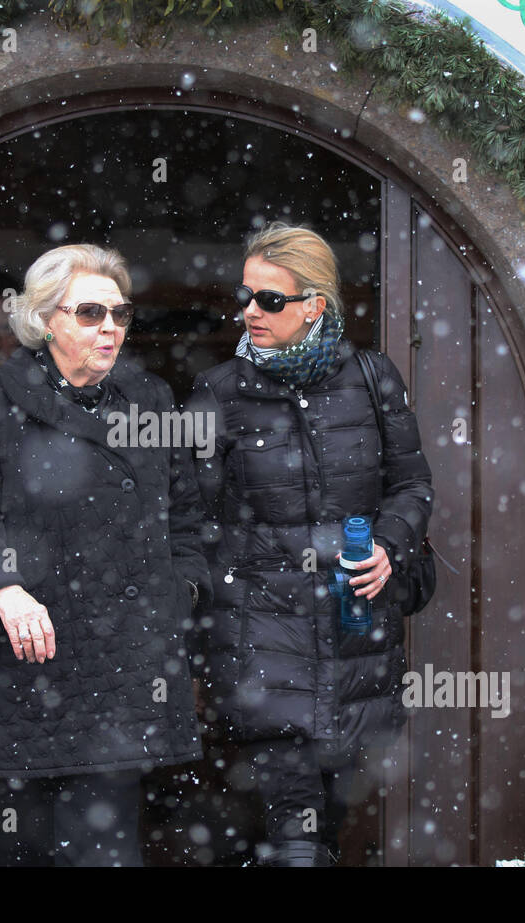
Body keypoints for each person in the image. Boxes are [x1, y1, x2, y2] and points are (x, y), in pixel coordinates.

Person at [0, 243, 209, 866]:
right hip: (27, 667)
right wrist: (3, 588)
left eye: (119, 314)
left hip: (121, 669)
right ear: (45, 319)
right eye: (90, 313)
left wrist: (179, 593)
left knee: (104, 851)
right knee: (20, 849)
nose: (110, 328)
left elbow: (188, 519)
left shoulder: (150, 402)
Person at [186, 222, 434, 865]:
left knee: (332, 832)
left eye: (270, 300)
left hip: (357, 646)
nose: (250, 312)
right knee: (295, 839)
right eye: (246, 296)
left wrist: (388, 546)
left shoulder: (374, 379)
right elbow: (195, 523)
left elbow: (411, 485)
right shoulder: (220, 392)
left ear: (315, 305)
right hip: (266, 645)